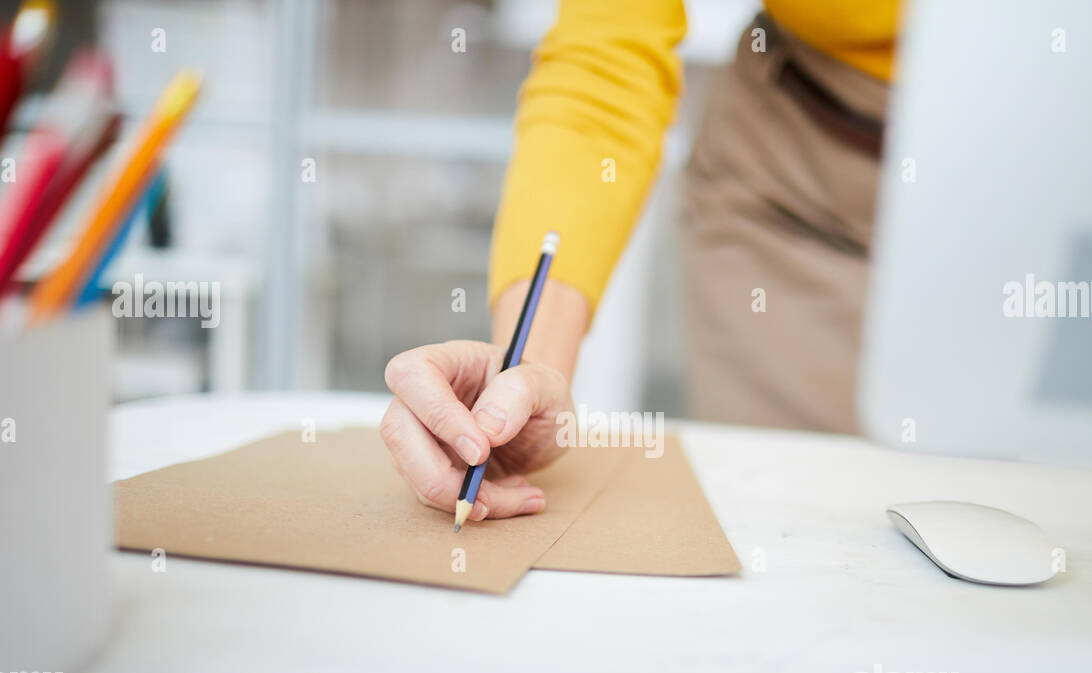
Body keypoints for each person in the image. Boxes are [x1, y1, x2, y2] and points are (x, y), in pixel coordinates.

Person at [380, 1, 900, 523]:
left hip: (977, 188)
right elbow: (605, 62)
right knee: (797, 521)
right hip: (804, 166)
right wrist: (524, 391)